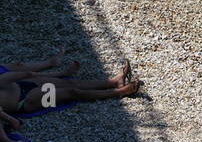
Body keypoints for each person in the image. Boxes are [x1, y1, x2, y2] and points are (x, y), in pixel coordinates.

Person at [0, 61, 138, 112]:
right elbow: (24, 73)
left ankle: (113, 82)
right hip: (24, 101)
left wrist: (62, 73)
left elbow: (25, 75)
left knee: (70, 82)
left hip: (23, 85)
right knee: (72, 92)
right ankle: (118, 92)